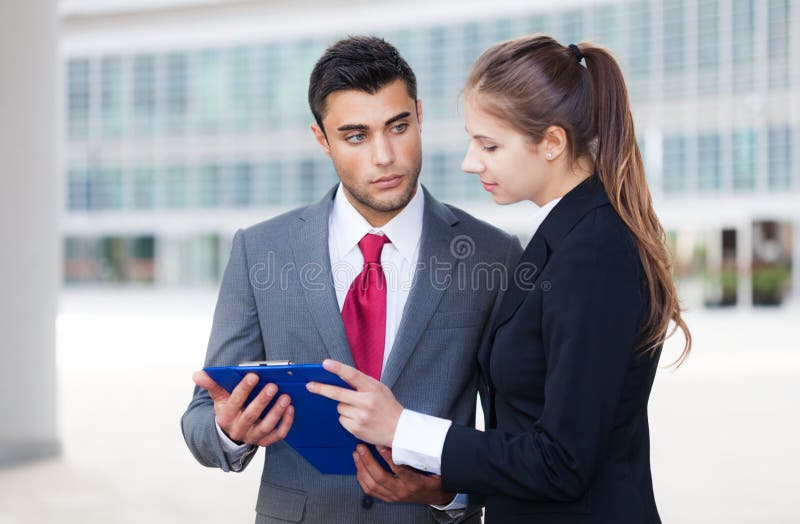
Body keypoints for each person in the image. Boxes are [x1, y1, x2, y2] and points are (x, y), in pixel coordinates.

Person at [308, 35, 693, 523]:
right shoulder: (562, 238)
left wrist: (403, 428)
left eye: (489, 145)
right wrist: (440, 483)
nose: (471, 162)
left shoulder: (593, 250)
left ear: (552, 143)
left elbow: (563, 461)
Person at [181, 35, 522, 524]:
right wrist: (230, 430)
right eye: (356, 136)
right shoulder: (261, 250)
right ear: (322, 140)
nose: (384, 156)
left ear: (420, 116)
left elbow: (516, 441)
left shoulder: (493, 255)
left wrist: (449, 492)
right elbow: (201, 416)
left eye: (398, 127)